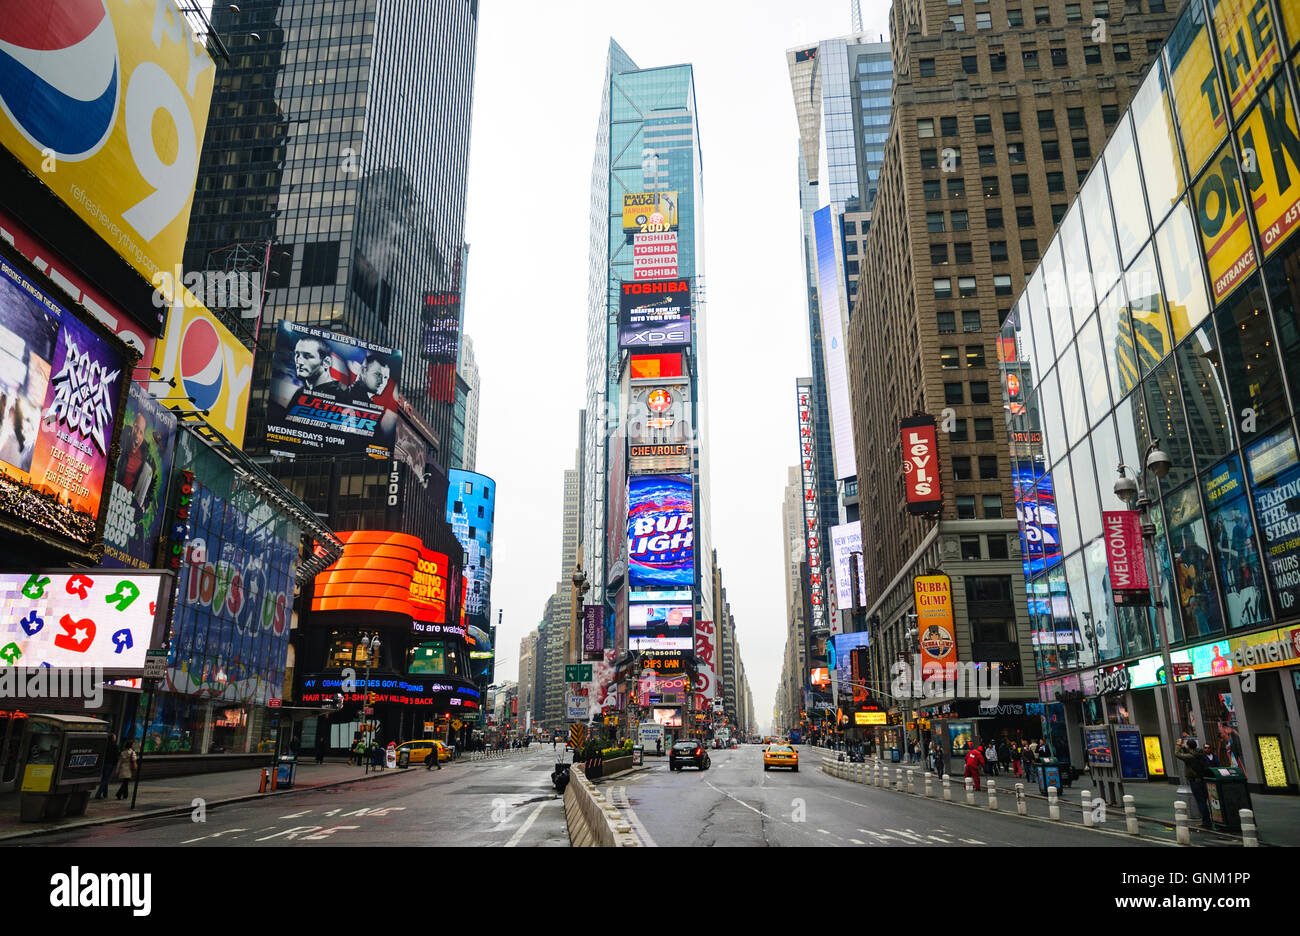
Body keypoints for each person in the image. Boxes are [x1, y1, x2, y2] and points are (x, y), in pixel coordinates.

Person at [1175, 739, 1214, 829]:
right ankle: (1210, 820)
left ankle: (1206, 822)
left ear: (1189, 746)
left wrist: (1178, 745)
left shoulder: (1191, 757)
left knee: (1201, 802)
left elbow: (1177, 754)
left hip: (1195, 781)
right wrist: (1184, 746)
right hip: (1203, 779)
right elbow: (1188, 751)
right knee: (1204, 801)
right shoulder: (1199, 753)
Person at [96, 735, 120, 799]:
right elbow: (116, 756)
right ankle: (98, 794)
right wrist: (116, 763)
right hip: (110, 764)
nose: (115, 738)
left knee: (105, 778)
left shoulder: (105, 745)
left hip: (104, 763)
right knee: (105, 779)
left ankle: (105, 793)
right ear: (113, 739)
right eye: (115, 737)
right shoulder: (115, 746)